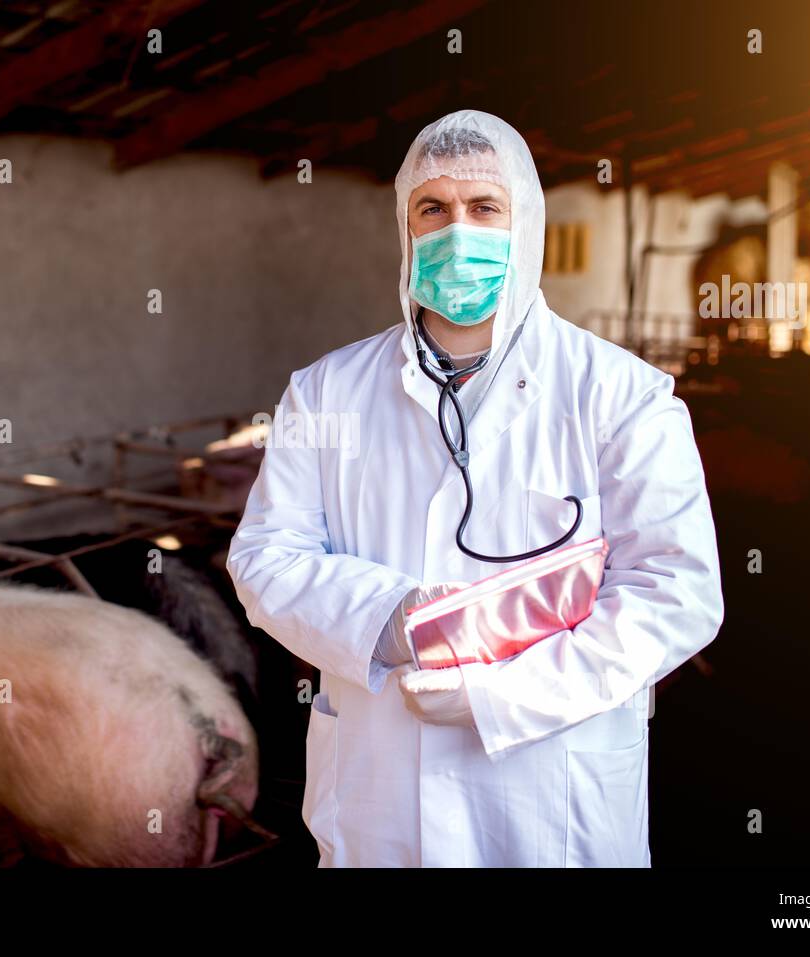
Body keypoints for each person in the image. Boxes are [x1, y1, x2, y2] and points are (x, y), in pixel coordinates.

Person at [226, 109, 723, 867]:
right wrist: (389, 620)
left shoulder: (620, 394)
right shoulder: (325, 392)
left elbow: (676, 592)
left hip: (550, 799)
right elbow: (265, 555)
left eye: (485, 208)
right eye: (434, 208)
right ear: (407, 228)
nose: (458, 230)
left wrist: (502, 697)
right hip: (377, 795)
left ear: (526, 226)